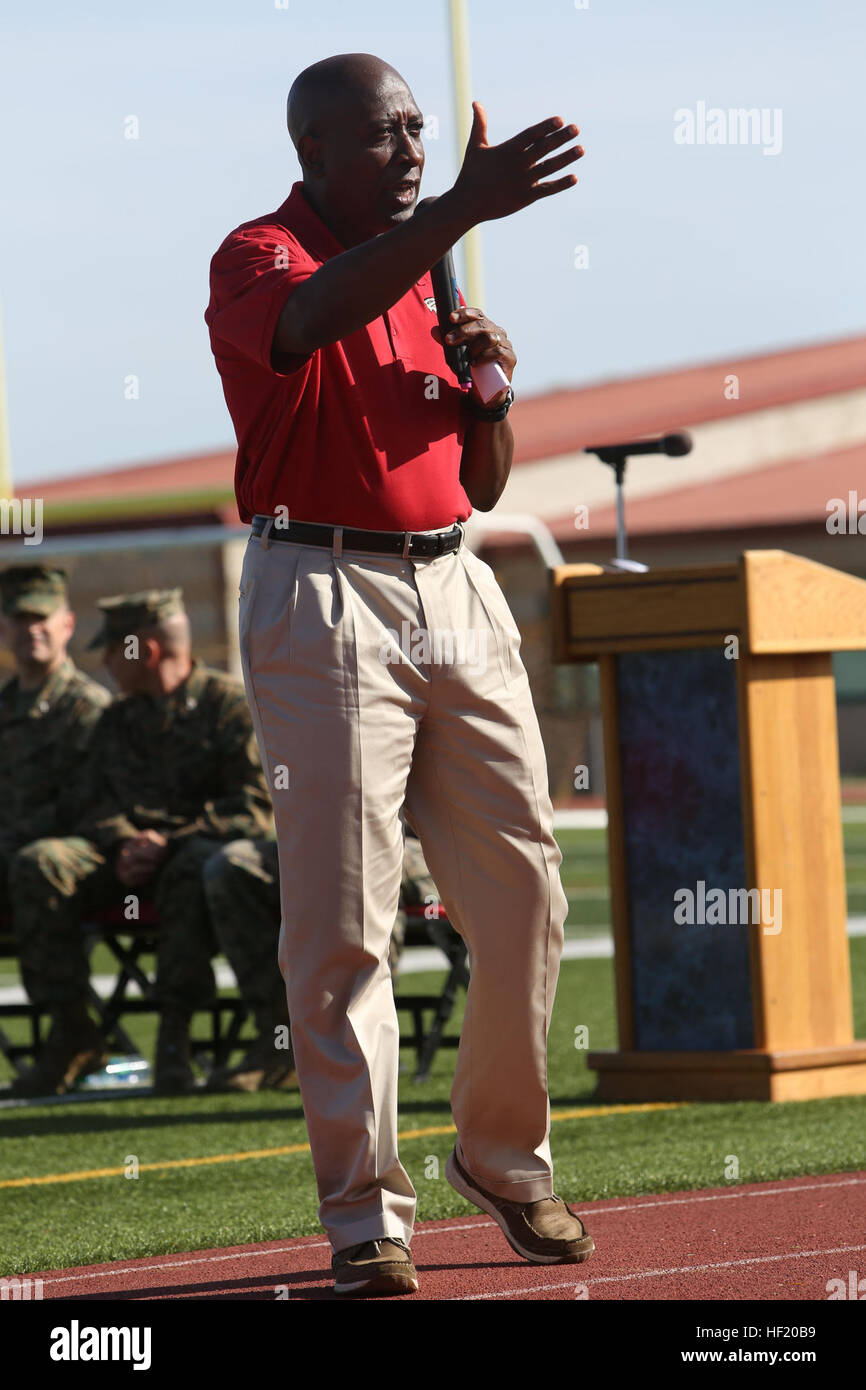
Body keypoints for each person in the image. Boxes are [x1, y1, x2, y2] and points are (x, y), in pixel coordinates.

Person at [204, 51, 593, 1296]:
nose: (416, 148)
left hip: (453, 582)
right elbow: (307, 322)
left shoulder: (423, 265)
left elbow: (481, 484)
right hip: (322, 590)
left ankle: (500, 1155)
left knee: (526, 887)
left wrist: (490, 389)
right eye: (387, 133)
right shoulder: (261, 253)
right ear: (316, 151)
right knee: (342, 920)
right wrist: (458, 213)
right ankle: (367, 1214)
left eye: (421, 128)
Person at [8, 589, 277, 1097]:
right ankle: (71, 1031)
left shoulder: (230, 707)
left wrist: (167, 843)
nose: (106, 661)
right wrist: (127, 840)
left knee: (189, 865)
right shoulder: (117, 718)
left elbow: (254, 808)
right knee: (41, 862)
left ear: (145, 652)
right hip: (124, 860)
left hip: (195, 859)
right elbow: (89, 803)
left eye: (114, 648)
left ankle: (174, 1039)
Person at [202, 826, 438, 1091]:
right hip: (319, 841)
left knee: (356, 860)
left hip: (420, 844)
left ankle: (359, 1041)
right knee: (232, 865)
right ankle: (282, 1041)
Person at [0, 565, 112, 1086]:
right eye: (19, 621)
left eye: (42, 619)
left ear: (67, 625)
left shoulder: (87, 707)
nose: (32, 631)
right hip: (16, 855)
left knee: (37, 862)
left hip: (81, 856)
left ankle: (71, 1032)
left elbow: (92, 808)